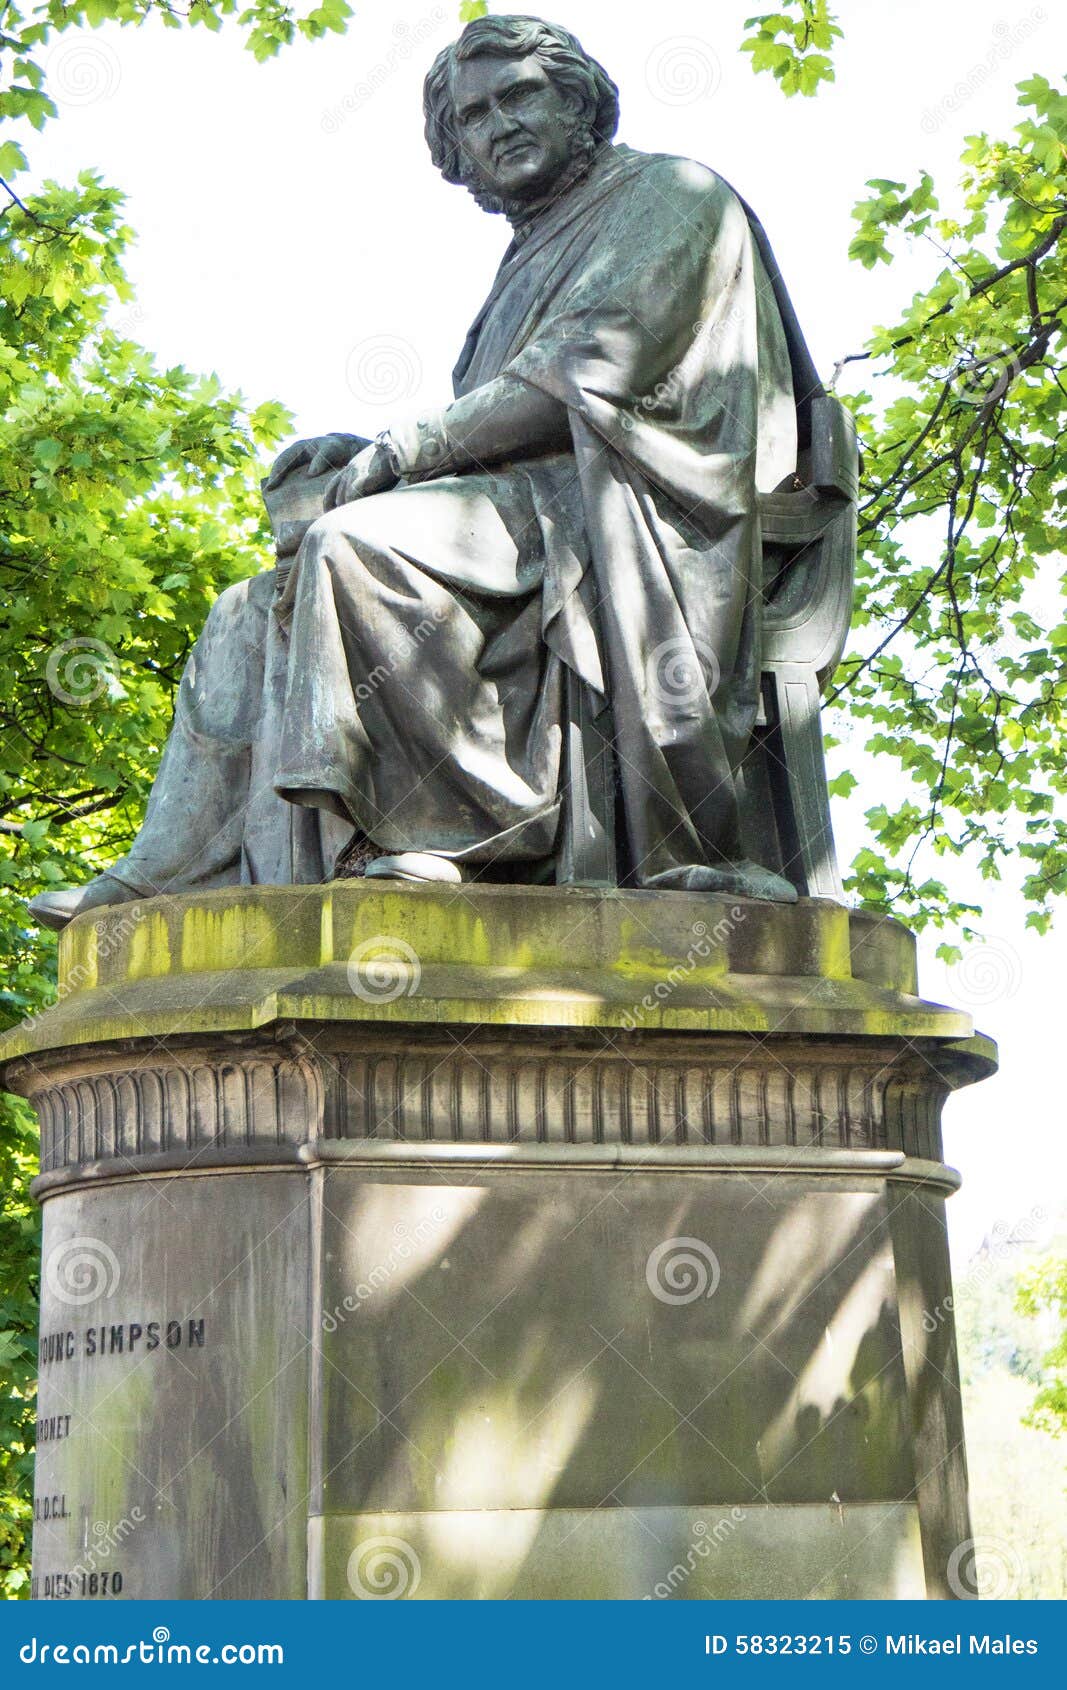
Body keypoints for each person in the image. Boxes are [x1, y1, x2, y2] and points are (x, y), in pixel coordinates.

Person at [30, 13, 823, 931]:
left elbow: (581, 372)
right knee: (247, 607)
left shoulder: (671, 193)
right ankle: (169, 872)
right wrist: (364, 455)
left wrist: (399, 456)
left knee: (352, 544)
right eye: (473, 116)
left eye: (520, 96)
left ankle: (444, 837)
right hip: (533, 510)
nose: (497, 125)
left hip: (631, 510)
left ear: (578, 101)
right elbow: (494, 423)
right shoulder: (531, 249)